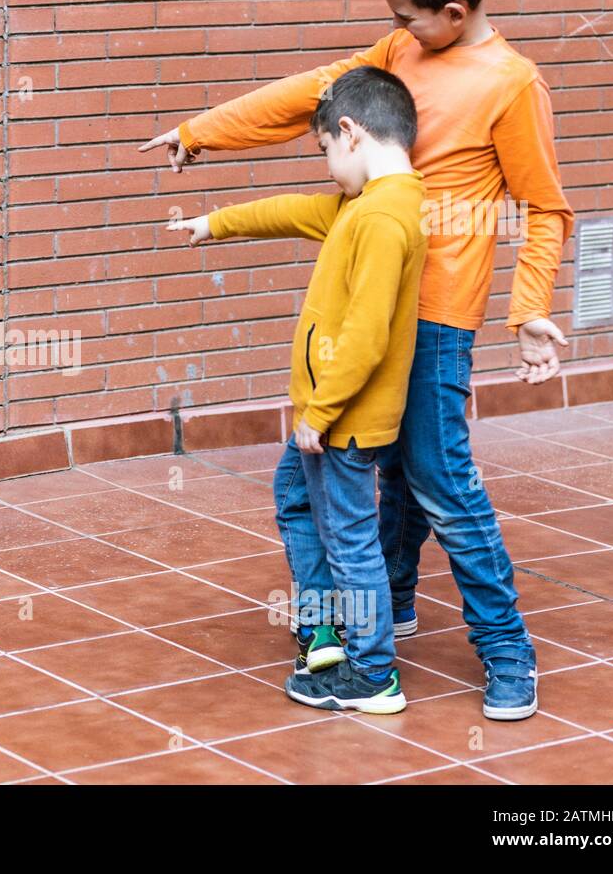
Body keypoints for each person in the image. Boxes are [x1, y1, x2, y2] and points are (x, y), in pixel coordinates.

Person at [144, 0, 571, 720]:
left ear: (453, 10)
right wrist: (204, 134)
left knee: (441, 485)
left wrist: (529, 311)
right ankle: (389, 605)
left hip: (436, 320)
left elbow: (544, 208)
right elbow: (317, 94)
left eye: (408, 15)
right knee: (390, 473)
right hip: (365, 310)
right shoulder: (399, 50)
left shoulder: (512, 84)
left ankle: (508, 652)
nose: (397, 29)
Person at [172, 66, 425, 714]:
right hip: (333, 418)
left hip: (340, 422)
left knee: (349, 537)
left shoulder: (380, 221)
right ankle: (326, 628)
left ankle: (373, 676)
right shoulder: (364, 205)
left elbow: (366, 336)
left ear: (350, 133)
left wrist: (319, 412)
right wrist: (216, 224)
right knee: (294, 496)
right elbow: (289, 213)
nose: (326, 170)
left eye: (323, 154)